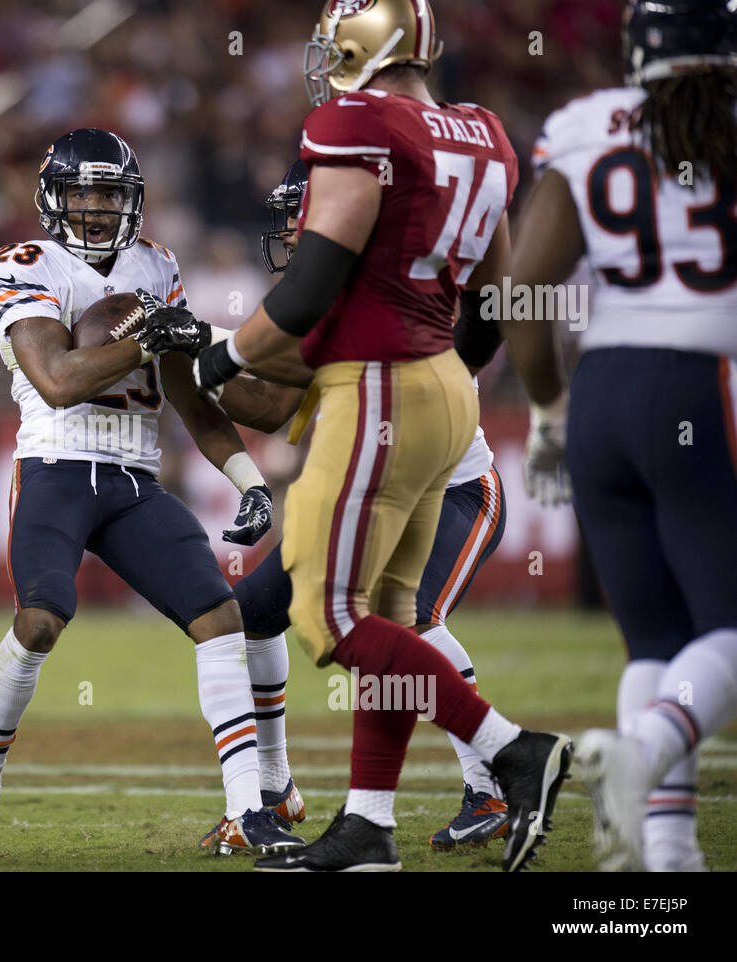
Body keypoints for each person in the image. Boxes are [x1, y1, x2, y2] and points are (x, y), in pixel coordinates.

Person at [174, 0, 571, 872]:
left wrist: (217, 359)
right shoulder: (479, 132)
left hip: (383, 389)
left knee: (328, 614)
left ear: (365, 41)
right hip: (441, 386)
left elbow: (310, 289)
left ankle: (512, 752)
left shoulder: (357, 121)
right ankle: (368, 826)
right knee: (388, 614)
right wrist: (439, 375)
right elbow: (497, 307)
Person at [0, 128, 304, 862]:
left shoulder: (155, 265)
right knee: (40, 622)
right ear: (54, 198)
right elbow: (59, 380)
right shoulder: (22, 265)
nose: (96, 208)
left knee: (221, 618)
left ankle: (248, 811)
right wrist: (148, 336)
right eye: (82, 193)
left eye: (109, 193)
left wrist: (248, 480)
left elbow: (189, 395)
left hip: (135, 478)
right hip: (56, 468)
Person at [211, 160, 512, 852]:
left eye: (301, 214)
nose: (290, 229)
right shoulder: (324, 295)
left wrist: (209, 355)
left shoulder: (387, 292)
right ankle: (275, 786)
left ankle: (492, 778)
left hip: (451, 490)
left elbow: (298, 374)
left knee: (407, 619)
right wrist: (189, 367)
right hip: (368, 498)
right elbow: (272, 400)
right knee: (251, 613)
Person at [504, 0, 737, 872]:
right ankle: (643, 750)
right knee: (728, 627)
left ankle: (665, 855)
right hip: (704, 386)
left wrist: (550, 409)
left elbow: (524, 290)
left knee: (657, 639)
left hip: (603, 391)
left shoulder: (585, 126)